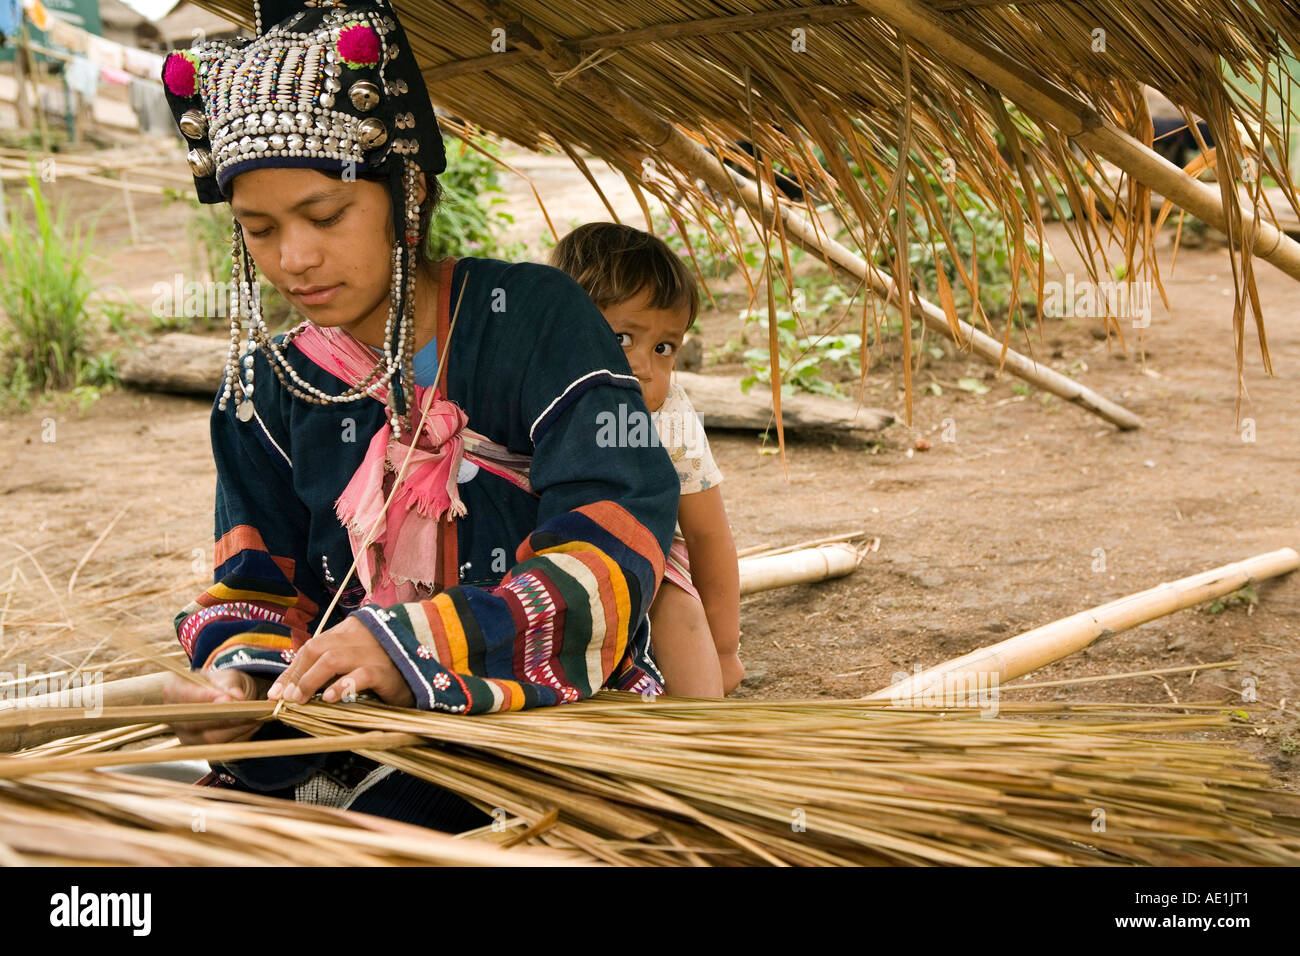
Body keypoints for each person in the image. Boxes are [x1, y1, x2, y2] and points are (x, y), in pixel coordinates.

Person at [158, 0, 677, 829]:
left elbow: (617, 540)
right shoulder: (262, 389)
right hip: (339, 721)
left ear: (407, 194)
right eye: (259, 230)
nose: (294, 258)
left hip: (532, 713)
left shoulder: (533, 319)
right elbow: (255, 584)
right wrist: (241, 677)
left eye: (325, 217)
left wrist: (421, 646)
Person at [551, 223, 742, 696]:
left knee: (681, 614)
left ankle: (702, 737)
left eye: (663, 348)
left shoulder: (669, 417)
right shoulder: (536, 395)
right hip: (544, 556)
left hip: (647, 556)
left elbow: (706, 533)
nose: (643, 366)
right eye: (622, 339)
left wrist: (724, 650)